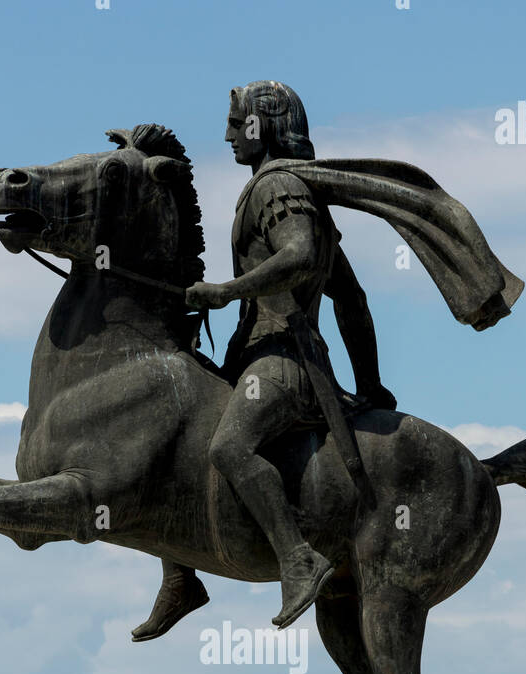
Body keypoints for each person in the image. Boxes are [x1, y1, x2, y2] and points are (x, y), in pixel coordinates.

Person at [132, 79, 395, 641]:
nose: (227, 136)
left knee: (228, 446)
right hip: (252, 356)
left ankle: (298, 559)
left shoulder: (278, 188)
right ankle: (181, 578)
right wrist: (370, 385)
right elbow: (351, 299)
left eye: (235, 124)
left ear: (262, 126)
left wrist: (228, 291)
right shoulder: (285, 190)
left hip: (280, 361)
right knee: (172, 441)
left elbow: (300, 257)